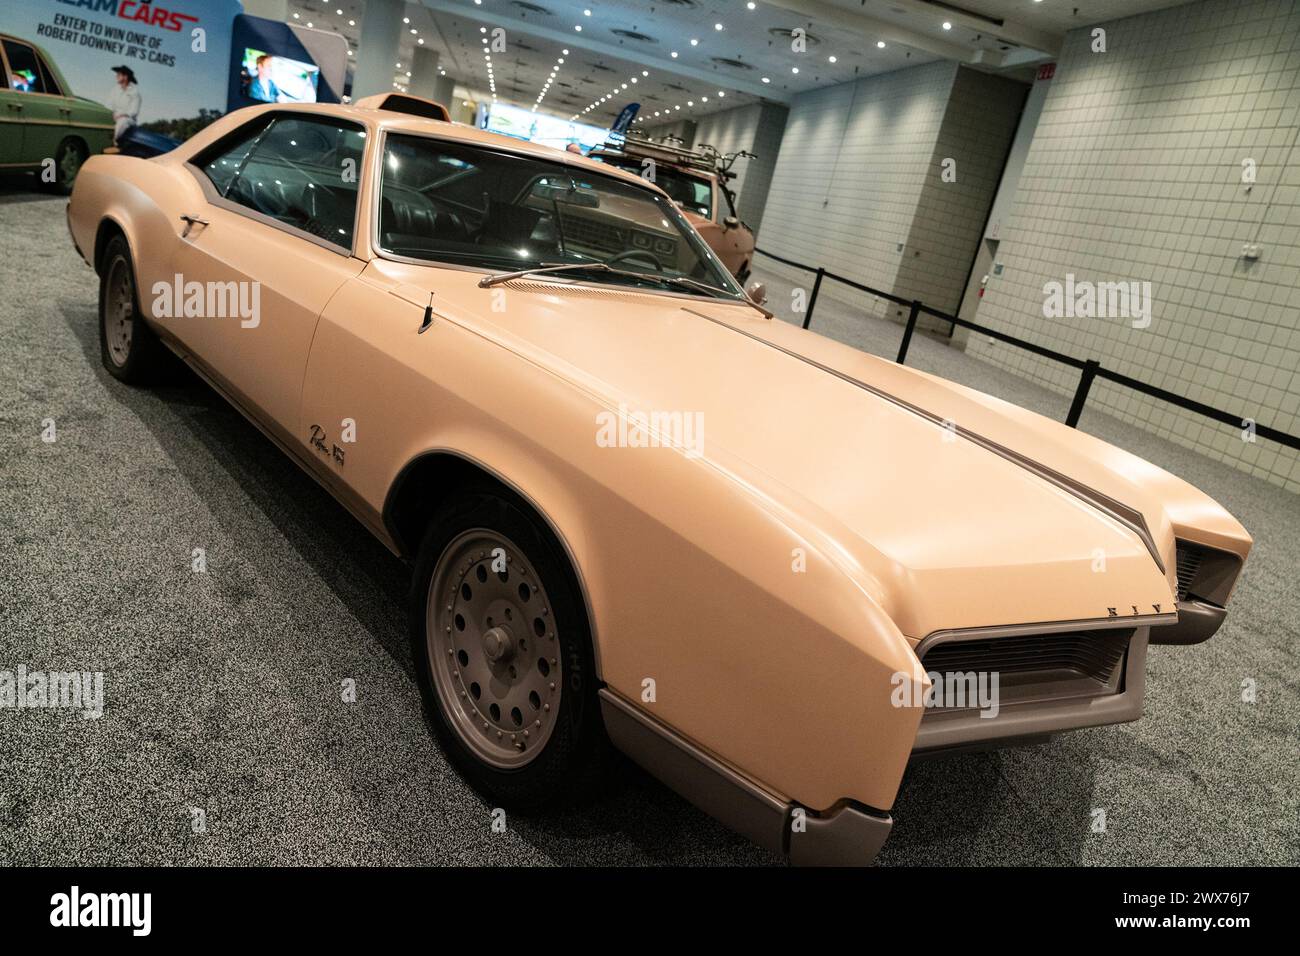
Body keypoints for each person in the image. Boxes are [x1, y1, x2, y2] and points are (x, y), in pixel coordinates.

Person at [108, 65, 141, 145]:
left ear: (125, 77)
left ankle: (114, 144)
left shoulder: (134, 93)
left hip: (128, 120)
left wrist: (121, 115)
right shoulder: (115, 90)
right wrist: (112, 114)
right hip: (114, 116)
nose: (116, 76)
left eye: (119, 75)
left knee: (122, 122)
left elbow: (134, 111)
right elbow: (110, 105)